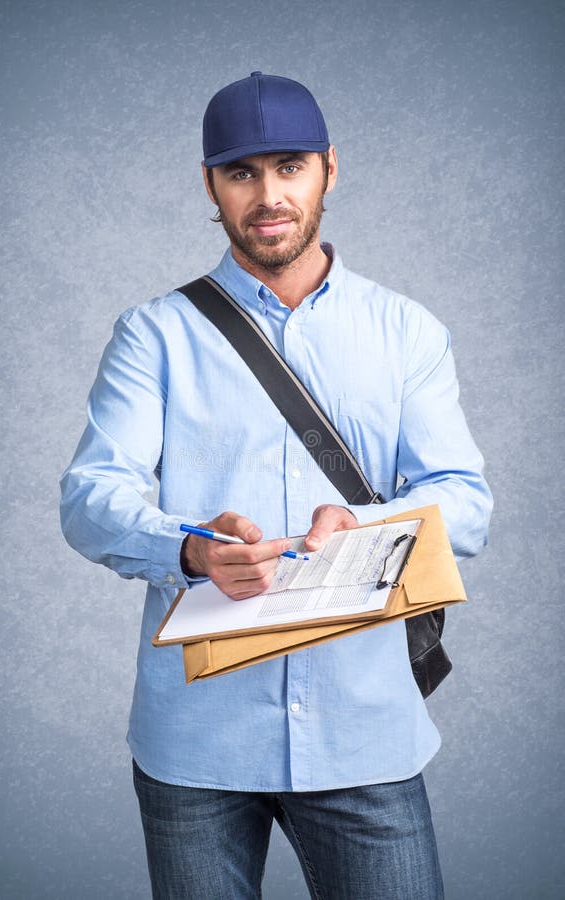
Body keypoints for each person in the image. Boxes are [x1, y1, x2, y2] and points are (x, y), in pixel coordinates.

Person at [60, 71, 492, 900]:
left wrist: (366, 525)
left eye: (290, 166)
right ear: (210, 185)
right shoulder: (152, 335)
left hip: (364, 731)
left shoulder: (407, 332)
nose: (268, 196)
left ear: (330, 168)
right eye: (241, 172)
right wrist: (189, 550)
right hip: (197, 739)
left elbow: (466, 505)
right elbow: (89, 497)